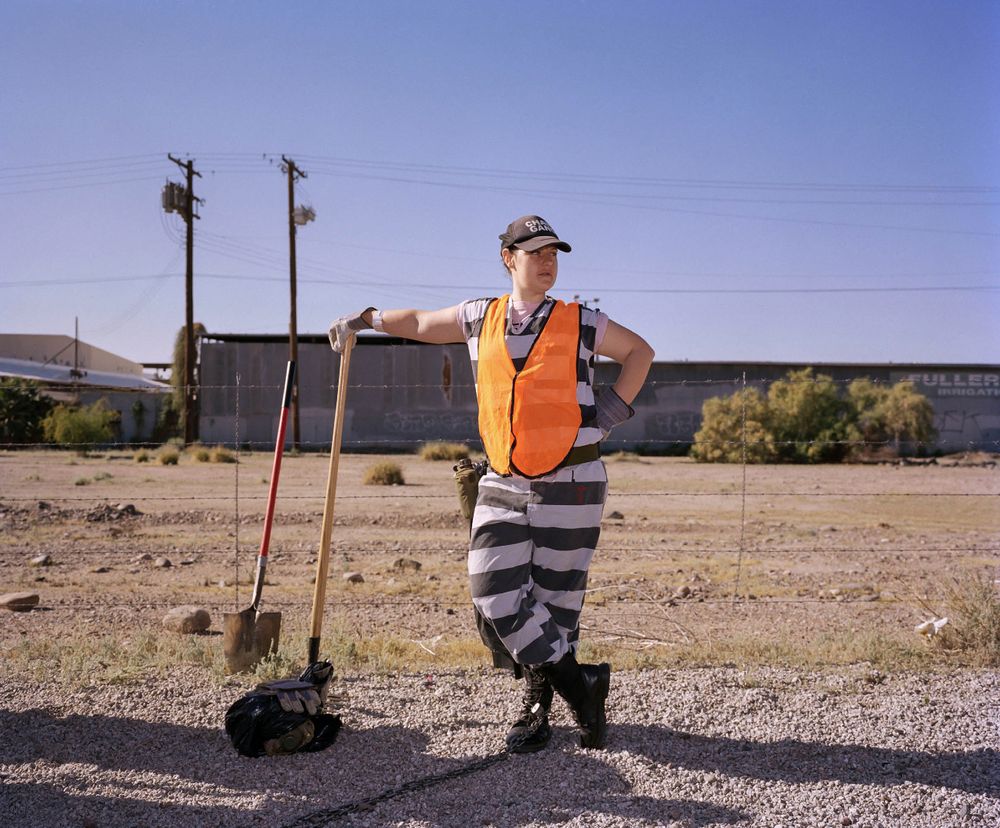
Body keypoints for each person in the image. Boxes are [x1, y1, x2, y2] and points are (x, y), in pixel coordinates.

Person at [329, 215, 654, 752]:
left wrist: (608, 414)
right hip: (503, 476)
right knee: (491, 588)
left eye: (554, 253)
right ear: (509, 258)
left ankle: (538, 706)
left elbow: (640, 352)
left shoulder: (582, 320)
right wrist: (367, 318)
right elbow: (420, 322)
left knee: (555, 603)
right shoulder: (481, 316)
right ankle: (581, 685)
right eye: (536, 252)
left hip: (573, 477)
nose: (548, 261)